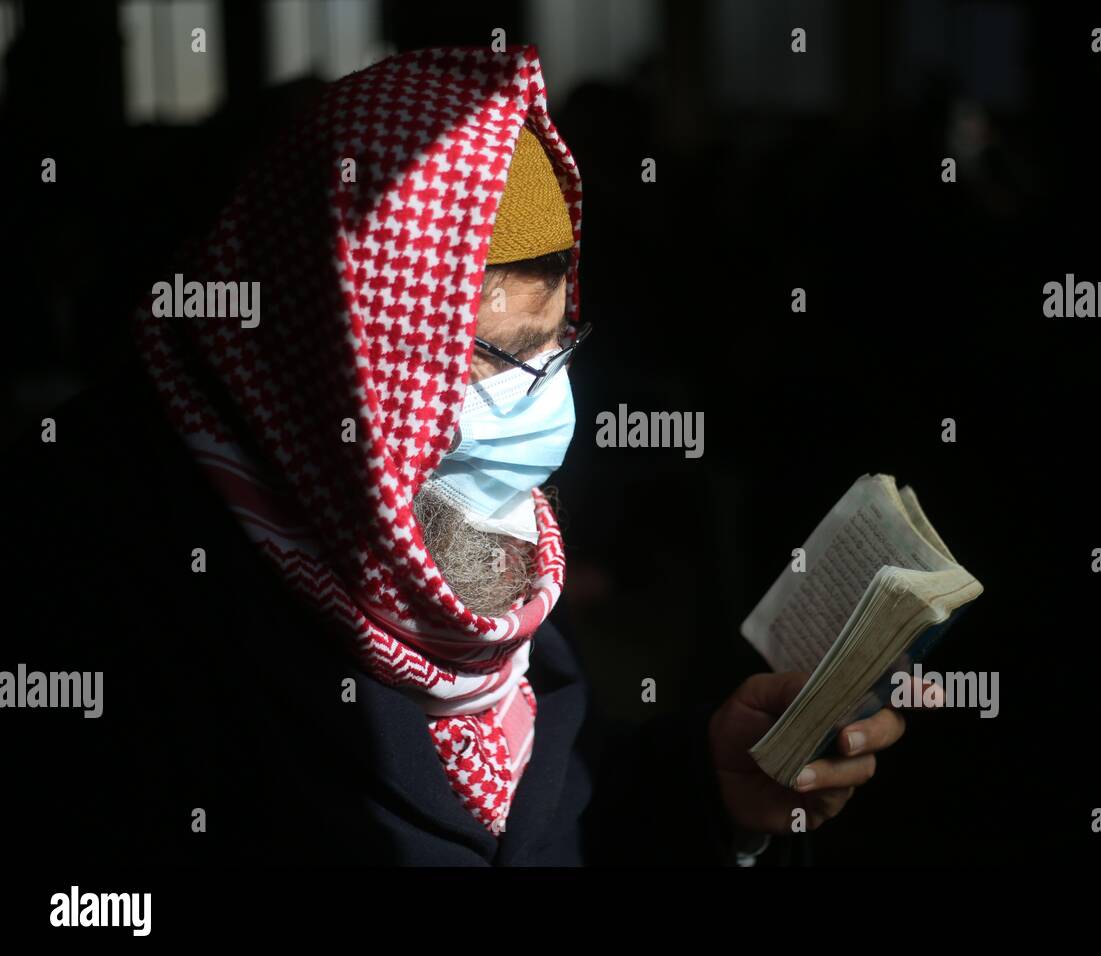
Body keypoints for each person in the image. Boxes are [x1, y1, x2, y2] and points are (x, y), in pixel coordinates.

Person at [1, 45, 929, 866]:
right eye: (496, 355)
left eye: (559, 342)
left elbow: (548, 808)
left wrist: (704, 787)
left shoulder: (471, 529)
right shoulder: (87, 570)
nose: (544, 400)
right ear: (346, 337)